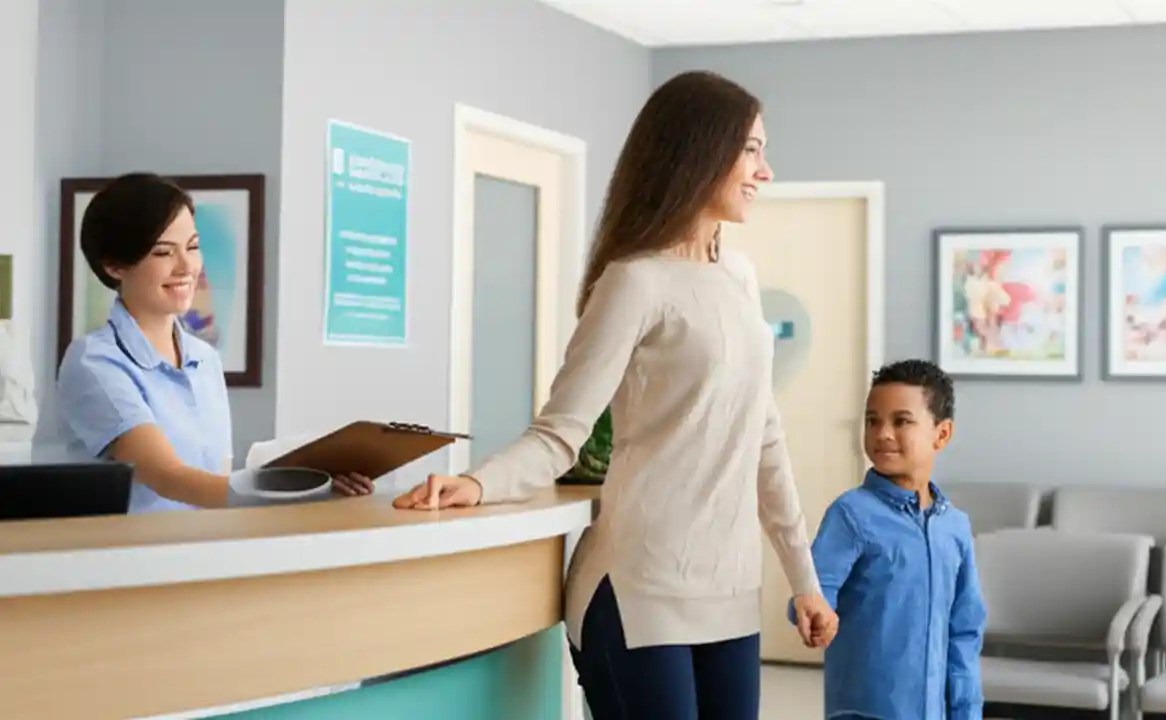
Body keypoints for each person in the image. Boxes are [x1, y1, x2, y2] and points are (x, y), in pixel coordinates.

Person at [393, 71, 837, 719]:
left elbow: (765, 439)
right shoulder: (634, 283)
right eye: (751, 150)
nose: (764, 171)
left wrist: (806, 583)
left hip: (732, 592)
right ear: (700, 151)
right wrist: (478, 484)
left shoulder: (740, 279)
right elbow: (558, 434)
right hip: (640, 591)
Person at [50, 173, 373, 513]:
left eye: (192, 246)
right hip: (131, 560)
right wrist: (290, 492)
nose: (187, 267)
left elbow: (216, 481)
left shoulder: (204, 359)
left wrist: (316, 478)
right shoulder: (94, 362)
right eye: (163, 253)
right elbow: (168, 477)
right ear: (114, 266)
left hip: (208, 554)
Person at [791, 359, 986, 719]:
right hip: (864, 711)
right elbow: (815, 591)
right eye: (872, 421)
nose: (882, 433)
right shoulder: (851, 514)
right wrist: (816, 613)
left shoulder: (955, 527)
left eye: (901, 421)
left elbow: (965, 629)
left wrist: (965, 709)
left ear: (941, 434)